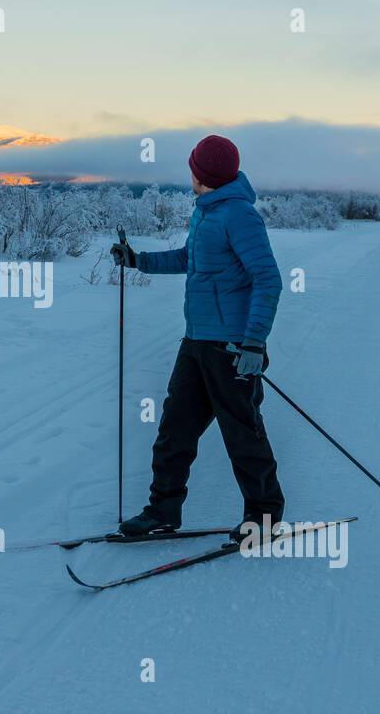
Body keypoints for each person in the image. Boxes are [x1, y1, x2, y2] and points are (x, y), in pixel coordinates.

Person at [110, 134, 285, 542]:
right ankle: (163, 510)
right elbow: (191, 259)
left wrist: (254, 343)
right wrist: (138, 260)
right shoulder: (206, 212)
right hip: (197, 343)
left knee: (243, 435)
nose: (189, 172)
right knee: (175, 430)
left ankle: (264, 518)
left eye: (192, 166)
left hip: (233, 349)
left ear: (202, 174)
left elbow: (268, 279)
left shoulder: (239, 216)